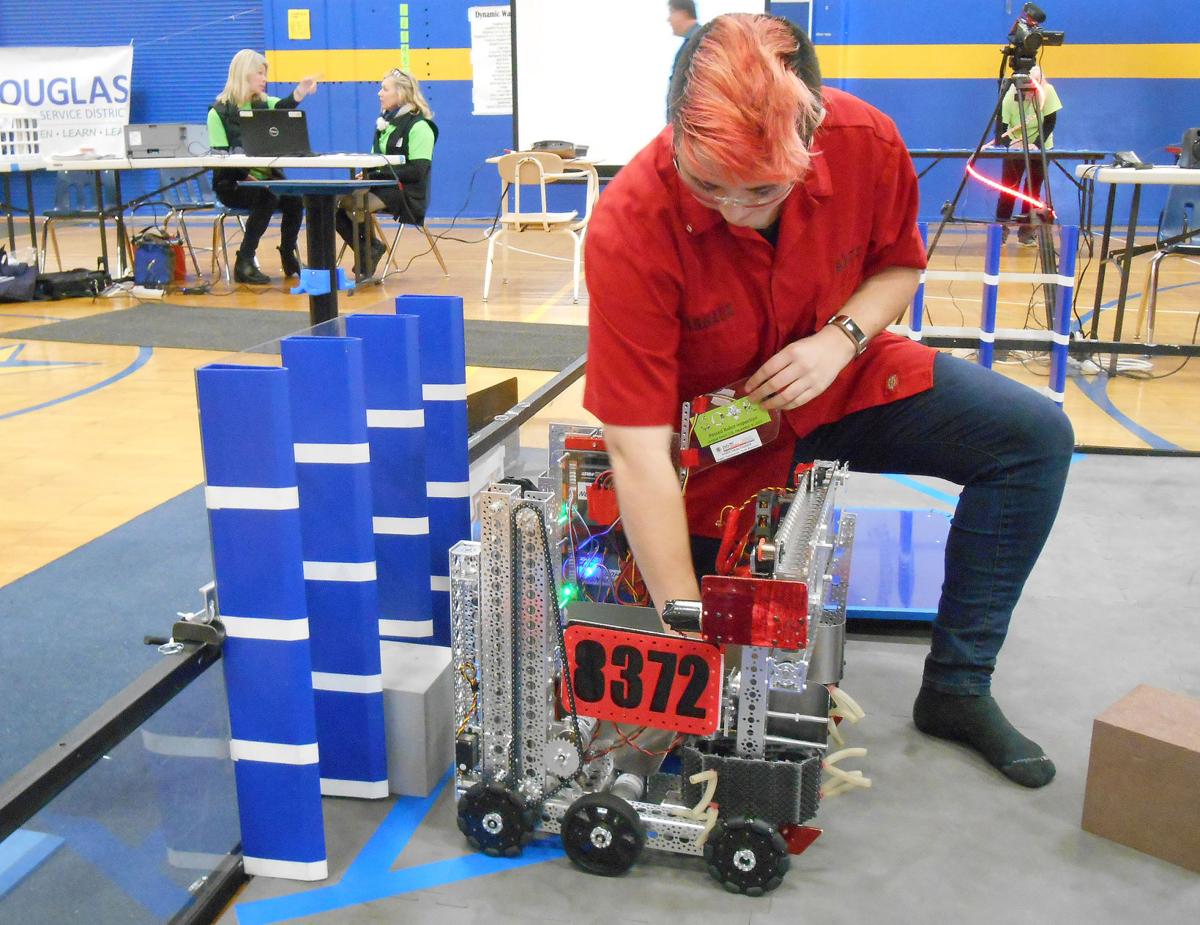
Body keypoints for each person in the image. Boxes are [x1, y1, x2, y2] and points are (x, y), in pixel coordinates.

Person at [584, 14, 1073, 791]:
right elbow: (635, 445)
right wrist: (684, 628)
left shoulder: (867, 141)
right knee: (716, 630)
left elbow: (897, 269)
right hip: (717, 435)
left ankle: (957, 687)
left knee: (1034, 438)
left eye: (764, 189)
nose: (734, 211)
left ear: (812, 135)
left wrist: (839, 339)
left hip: (842, 371)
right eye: (707, 184)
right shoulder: (628, 226)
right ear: (673, 131)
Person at [207, 49, 318, 284]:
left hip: (266, 182)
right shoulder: (218, 112)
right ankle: (244, 261)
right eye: (260, 73)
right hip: (233, 184)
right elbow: (221, 159)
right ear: (244, 74)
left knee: (294, 199)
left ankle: (288, 255)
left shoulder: (264, 103)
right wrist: (249, 177)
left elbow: (284, 108)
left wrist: (300, 92)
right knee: (266, 197)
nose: (264, 79)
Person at [335, 68, 439, 278]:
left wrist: (373, 175)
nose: (378, 93)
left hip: (407, 193)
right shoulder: (385, 123)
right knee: (332, 204)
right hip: (382, 186)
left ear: (400, 94)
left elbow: (417, 171)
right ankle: (370, 249)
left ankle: (369, 252)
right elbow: (376, 162)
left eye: (384, 89)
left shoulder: (420, 126)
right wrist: (368, 173)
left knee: (356, 204)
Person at [993, 65, 1062, 245]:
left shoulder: (1048, 92)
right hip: (1016, 146)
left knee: (1032, 190)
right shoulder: (1010, 95)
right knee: (1009, 188)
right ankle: (1001, 230)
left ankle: (1027, 231)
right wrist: (1012, 144)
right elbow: (1001, 128)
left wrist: (1036, 145)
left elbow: (1049, 122)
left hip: (1041, 146)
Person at [667, 0, 701, 107]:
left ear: (683, 13)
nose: (669, 19)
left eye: (672, 12)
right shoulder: (690, 43)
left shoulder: (699, 42)